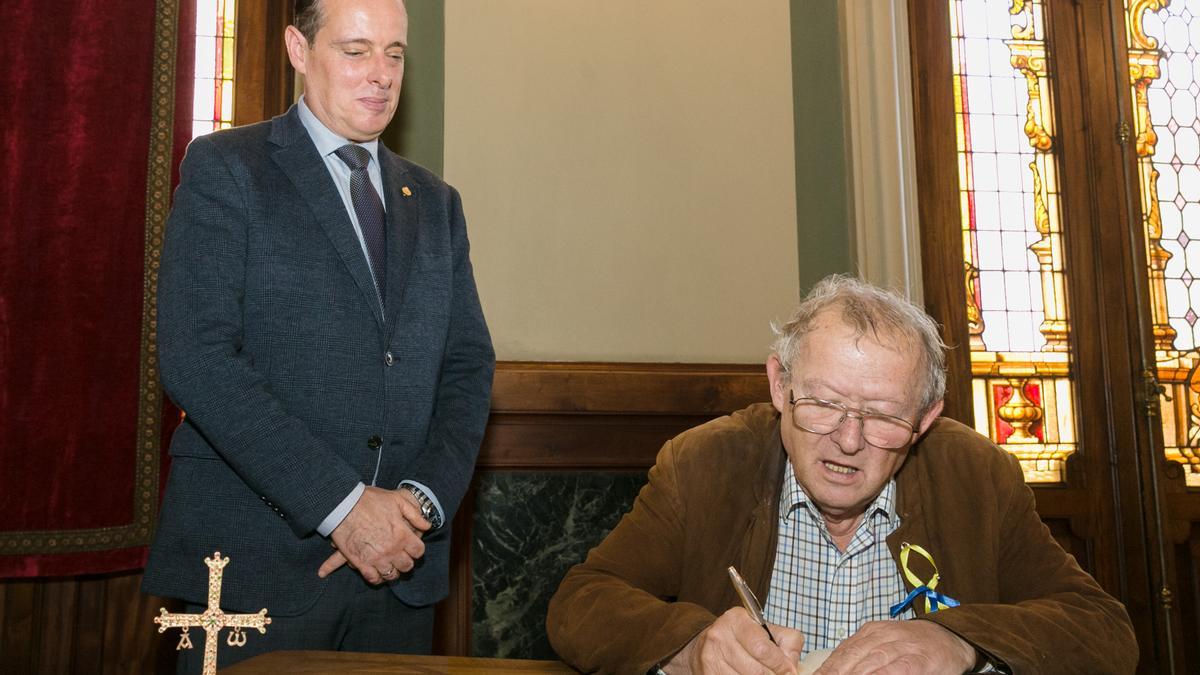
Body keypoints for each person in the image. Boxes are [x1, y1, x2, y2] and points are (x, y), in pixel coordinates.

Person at [142, 0, 494, 670]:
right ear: (298, 50)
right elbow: (199, 359)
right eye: (356, 50)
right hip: (256, 570)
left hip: (400, 573)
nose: (381, 73)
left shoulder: (436, 203)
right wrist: (343, 506)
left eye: (394, 53)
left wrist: (420, 503)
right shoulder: (228, 168)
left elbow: (468, 367)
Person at [546, 275, 1136, 674]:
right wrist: (691, 647)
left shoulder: (978, 476)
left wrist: (959, 641)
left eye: (883, 417)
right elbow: (581, 603)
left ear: (925, 419)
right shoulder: (704, 464)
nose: (848, 441)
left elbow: (1103, 630)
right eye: (824, 404)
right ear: (779, 385)